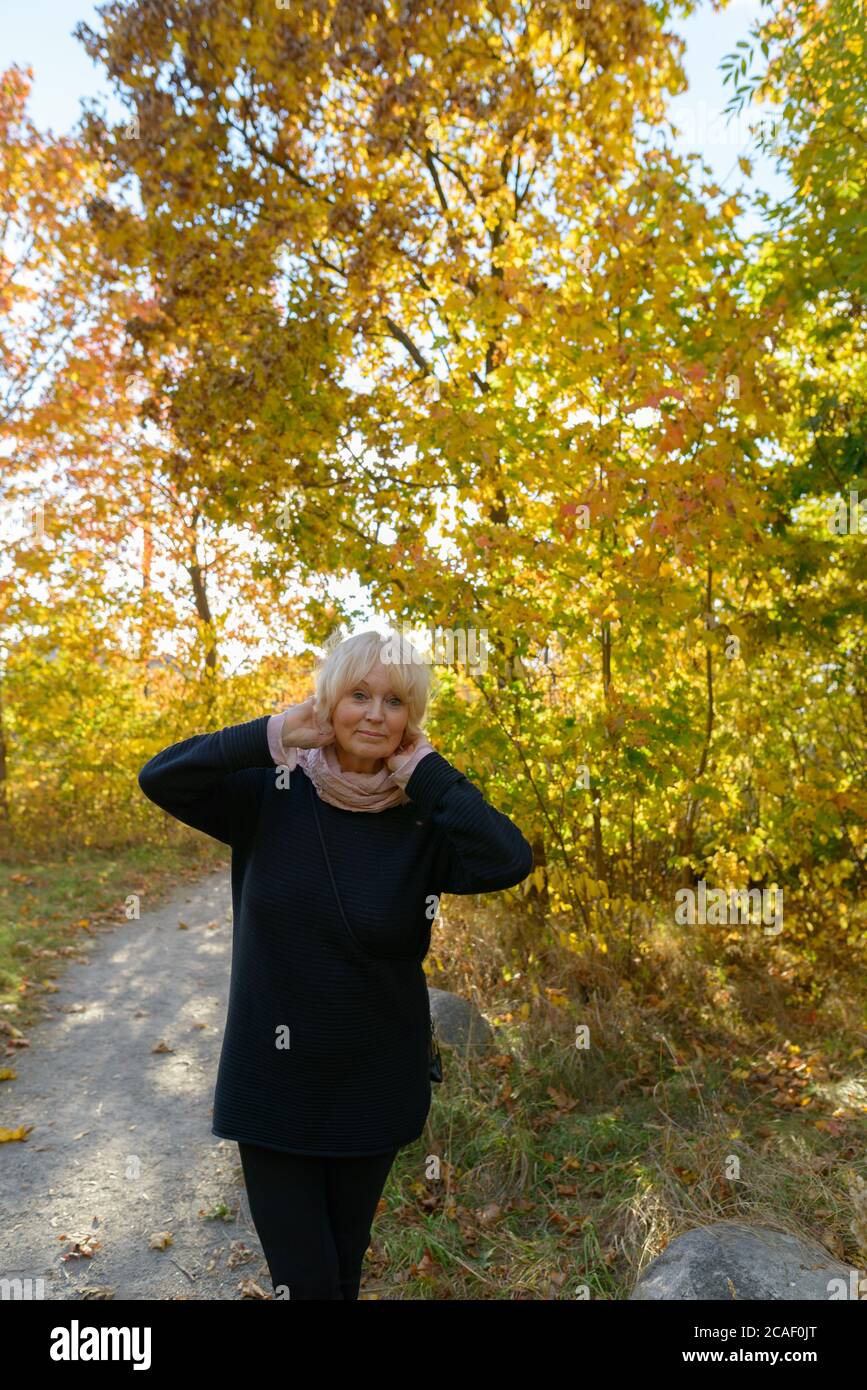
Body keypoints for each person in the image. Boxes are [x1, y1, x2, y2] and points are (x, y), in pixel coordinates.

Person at [137, 628, 534, 1298]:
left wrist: (429, 775)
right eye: (358, 695)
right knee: (309, 1283)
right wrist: (272, 733)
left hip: (374, 1086)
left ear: (412, 721)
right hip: (272, 1086)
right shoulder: (269, 793)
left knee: (342, 1273)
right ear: (327, 703)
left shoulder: (424, 821)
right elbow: (162, 777)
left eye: (394, 701)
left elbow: (509, 859)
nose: (375, 713)